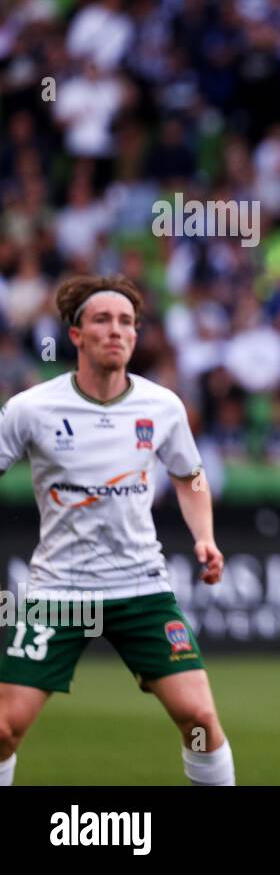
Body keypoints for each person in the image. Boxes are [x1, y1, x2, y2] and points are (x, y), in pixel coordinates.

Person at [0, 276, 234, 786]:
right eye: (102, 320)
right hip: (59, 590)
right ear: (76, 334)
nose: (116, 330)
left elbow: (190, 477)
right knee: (4, 727)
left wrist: (205, 536)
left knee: (199, 720)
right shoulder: (30, 408)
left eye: (126, 321)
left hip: (141, 587)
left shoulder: (162, 406)